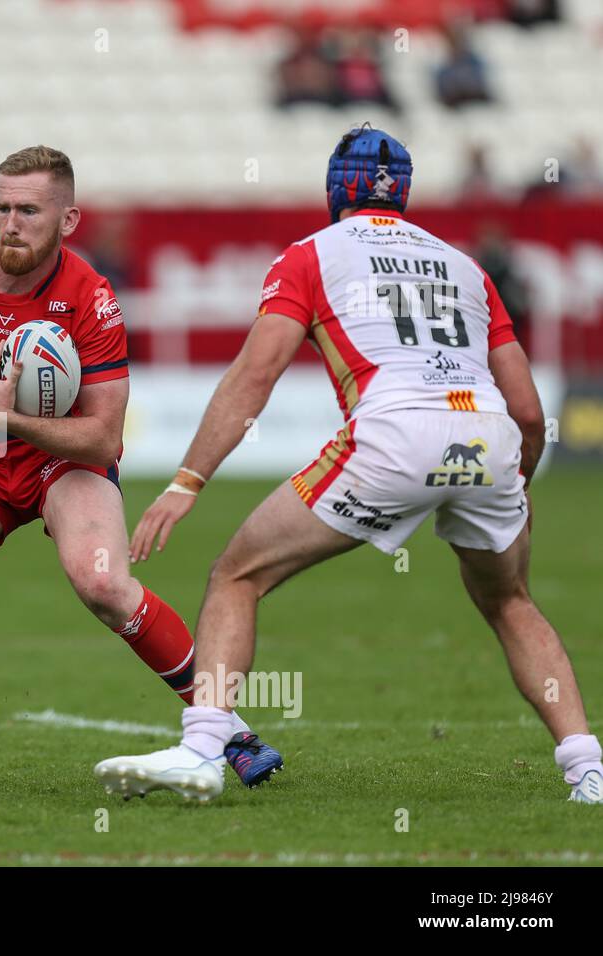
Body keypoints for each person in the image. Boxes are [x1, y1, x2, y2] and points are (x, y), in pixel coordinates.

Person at [94, 125, 602, 806]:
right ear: (406, 193)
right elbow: (530, 411)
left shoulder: (311, 255)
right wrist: (520, 479)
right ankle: (586, 768)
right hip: (488, 437)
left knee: (237, 576)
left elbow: (255, 375)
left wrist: (187, 482)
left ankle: (203, 748)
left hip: (393, 435)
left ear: (336, 188)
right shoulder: (464, 264)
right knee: (510, 600)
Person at [0, 146, 283, 787]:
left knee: (103, 583)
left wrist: (9, 417)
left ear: (68, 220)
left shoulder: (91, 298)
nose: (11, 223)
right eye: (2, 207)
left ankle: (229, 730)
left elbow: (103, 441)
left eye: (29, 210)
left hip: (64, 463)